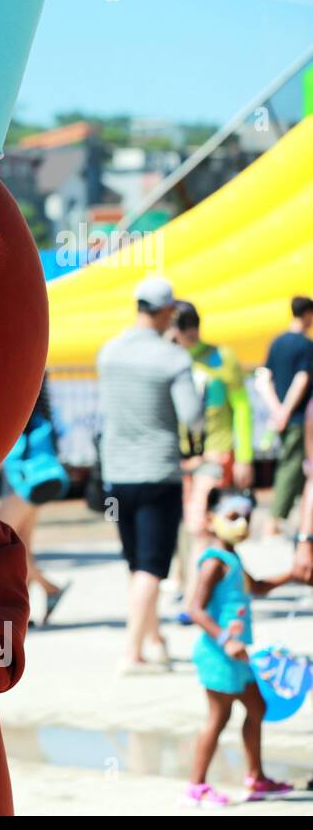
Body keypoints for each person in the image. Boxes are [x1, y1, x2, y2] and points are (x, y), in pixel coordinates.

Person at [97, 277, 203, 674]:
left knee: (137, 563)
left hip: (117, 474)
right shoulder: (173, 359)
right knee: (152, 567)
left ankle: (155, 639)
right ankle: (132, 653)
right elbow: (191, 416)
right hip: (158, 472)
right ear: (166, 312)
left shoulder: (108, 352)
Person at [183, 488, 295, 805]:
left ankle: (256, 777)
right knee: (217, 719)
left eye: (246, 517)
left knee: (257, 708)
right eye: (233, 516)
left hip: (237, 656)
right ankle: (195, 787)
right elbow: (195, 609)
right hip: (219, 655)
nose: (242, 523)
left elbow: (256, 586)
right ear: (210, 519)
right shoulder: (214, 563)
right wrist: (225, 639)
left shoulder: (232, 558)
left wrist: (292, 575)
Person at [171, 302, 254, 591]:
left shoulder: (222, 357)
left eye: (191, 327)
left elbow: (242, 407)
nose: (188, 335)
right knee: (185, 526)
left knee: (202, 525)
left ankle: (197, 593)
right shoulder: (168, 358)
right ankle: (189, 582)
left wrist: (244, 456)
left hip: (216, 454)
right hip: (177, 458)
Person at [0, 374, 68, 626]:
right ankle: (39, 597)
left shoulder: (15, 367)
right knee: (19, 543)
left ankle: (47, 590)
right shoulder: (33, 358)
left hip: (24, 472)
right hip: (33, 472)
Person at [257, 296, 313, 538]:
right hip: (299, 419)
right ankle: (273, 522)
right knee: (291, 469)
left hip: (282, 417)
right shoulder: (305, 345)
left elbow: (263, 378)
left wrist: (276, 410)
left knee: (296, 471)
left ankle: (301, 524)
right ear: (307, 314)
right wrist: (286, 411)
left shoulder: (277, 342)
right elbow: (301, 380)